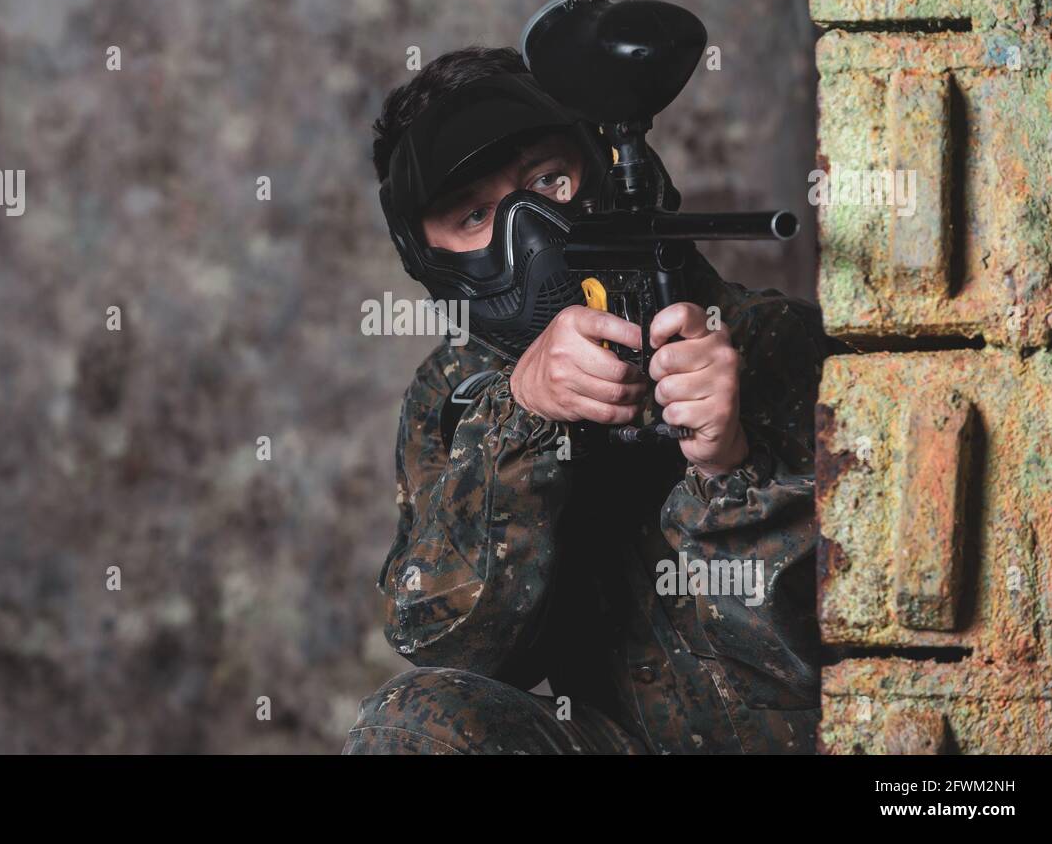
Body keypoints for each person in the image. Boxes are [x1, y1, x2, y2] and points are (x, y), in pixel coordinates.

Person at [343, 46, 834, 754]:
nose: (530, 230)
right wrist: (522, 422)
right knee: (412, 722)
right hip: (615, 740)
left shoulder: (772, 343)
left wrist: (730, 469)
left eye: (550, 179)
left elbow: (814, 659)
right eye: (474, 217)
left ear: (609, 169)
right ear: (428, 259)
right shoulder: (457, 394)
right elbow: (452, 642)